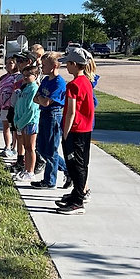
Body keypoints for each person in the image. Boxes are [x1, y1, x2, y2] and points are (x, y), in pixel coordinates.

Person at [55, 45, 96, 215]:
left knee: (75, 165)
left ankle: (78, 201)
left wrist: (65, 133)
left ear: (74, 64)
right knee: (82, 163)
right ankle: (76, 194)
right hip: (86, 130)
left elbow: (71, 111)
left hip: (75, 130)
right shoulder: (87, 81)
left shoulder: (73, 85)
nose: (66, 66)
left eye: (68, 63)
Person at [31, 51, 67, 189]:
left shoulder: (59, 83)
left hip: (54, 115)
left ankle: (49, 181)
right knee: (41, 147)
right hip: (44, 115)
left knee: (51, 149)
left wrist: (41, 99)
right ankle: (67, 169)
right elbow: (36, 98)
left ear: (54, 66)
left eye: (44, 65)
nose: (42, 68)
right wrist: (41, 99)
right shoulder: (46, 80)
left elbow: (46, 102)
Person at [12, 59, 40, 182]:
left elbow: (31, 109)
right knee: (25, 146)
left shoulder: (34, 89)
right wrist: (16, 120)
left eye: (29, 75)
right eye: (24, 75)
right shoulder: (25, 88)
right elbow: (19, 105)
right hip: (21, 122)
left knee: (30, 147)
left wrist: (21, 122)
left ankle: (31, 171)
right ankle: (26, 169)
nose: (26, 77)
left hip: (30, 122)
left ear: (36, 76)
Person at [0, 55, 19, 157]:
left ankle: (14, 147)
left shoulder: (18, 77)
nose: (8, 65)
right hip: (4, 105)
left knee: (14, 128)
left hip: (13, 106)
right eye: (7, 63)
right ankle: (7, 146)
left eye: (11, 63)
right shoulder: (3, 78)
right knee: (5, 127)